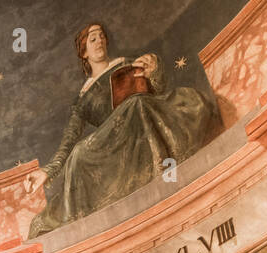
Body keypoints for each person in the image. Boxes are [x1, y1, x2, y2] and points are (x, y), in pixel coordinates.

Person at [24, 22, 217, 238]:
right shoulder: (82, 98)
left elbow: (156, 91)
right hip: (111, 144)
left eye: (102, 36)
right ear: (84, 52)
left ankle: (163, 174)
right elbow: (69, 141)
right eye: (93, 39)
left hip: (139, 124)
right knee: (79, 153)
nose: (100, 41)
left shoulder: (125, 64)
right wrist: (47, 171)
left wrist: (153, 71)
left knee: (138, 104)